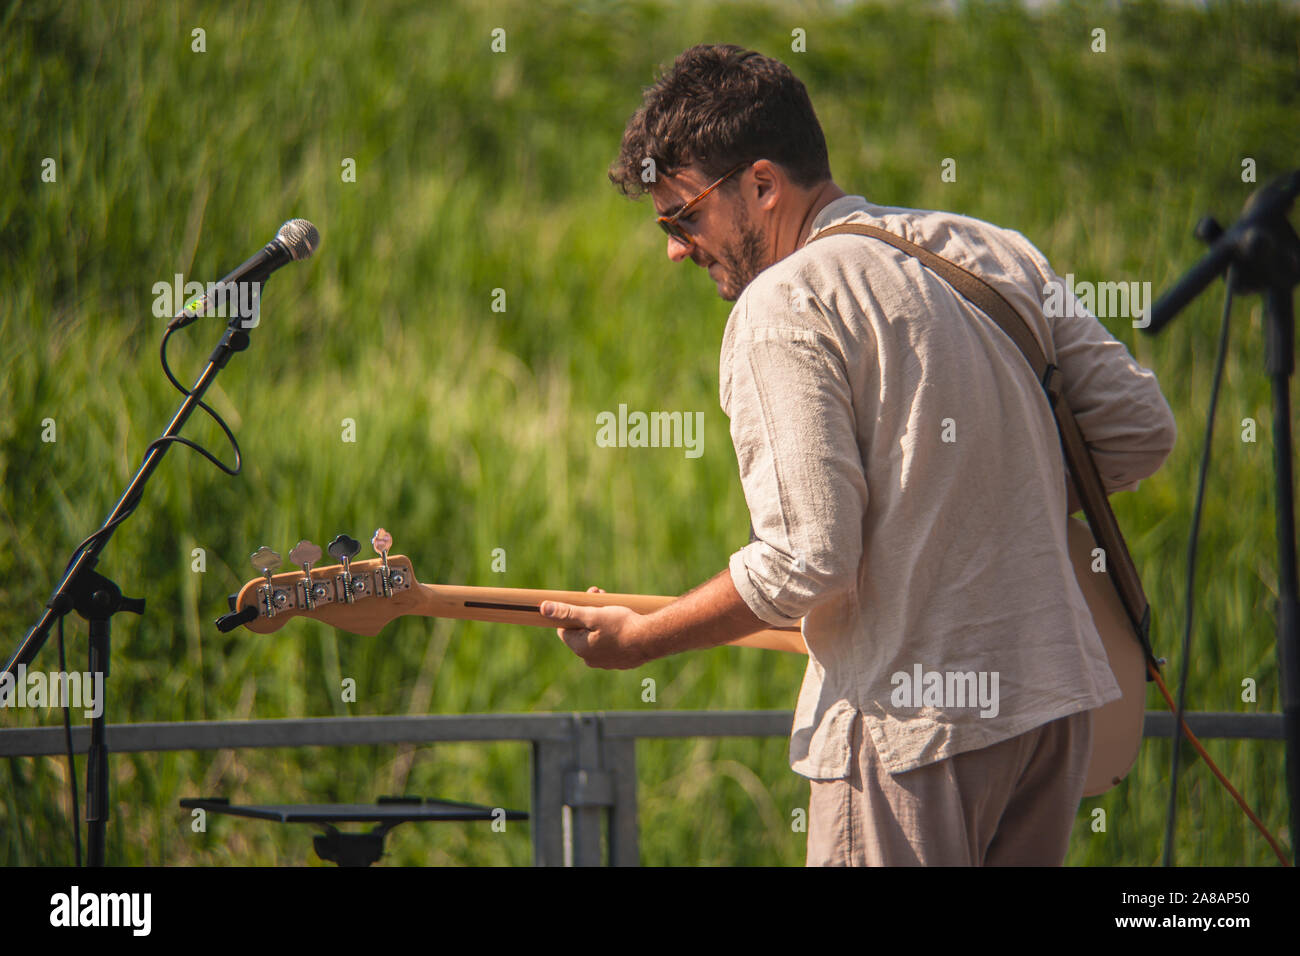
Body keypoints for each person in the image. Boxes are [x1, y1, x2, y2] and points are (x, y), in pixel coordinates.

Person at [539, 43, 1176, 865]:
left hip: (908, 733)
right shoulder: (993, 250)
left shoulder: (783, 302)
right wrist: (982, 491)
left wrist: (641, 641)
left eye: (682, 216)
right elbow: (1139, 430)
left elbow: (808, 561)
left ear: (762, 185)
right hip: (1050, 714)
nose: (673, 247)